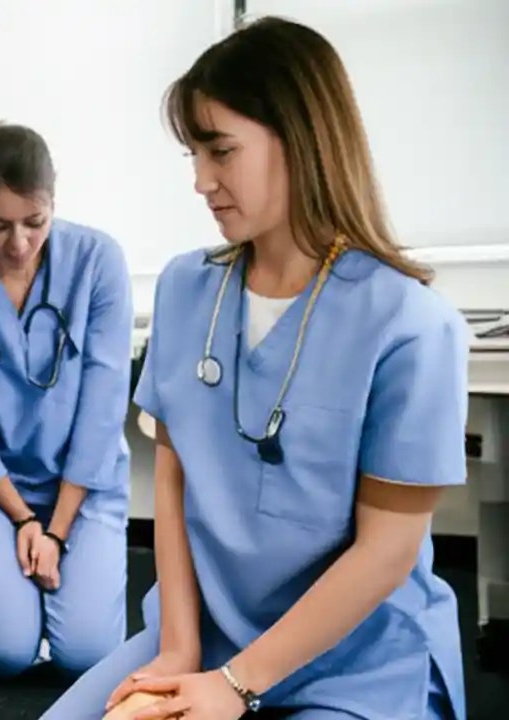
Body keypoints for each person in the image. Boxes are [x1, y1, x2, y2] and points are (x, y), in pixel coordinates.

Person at [42, 17, 468, 720]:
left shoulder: (410, 326)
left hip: (353, 660)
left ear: (301, 140)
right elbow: (173, 478)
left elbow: (388, 552)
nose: (202, 181)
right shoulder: (186, 288)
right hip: (206, 631)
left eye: (221, 151)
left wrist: (238, 684)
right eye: (192, 155)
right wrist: (180, 649)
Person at [0, 123, 132, 679]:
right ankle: (12, 604)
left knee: (86, 656)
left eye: (34, 222)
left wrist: (55, 530)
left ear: (53, 201)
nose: (18, 244)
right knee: (4, 655)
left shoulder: (96, 262)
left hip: (80, 488)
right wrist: (21, 519)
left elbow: (103, 408)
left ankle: (46, 592)